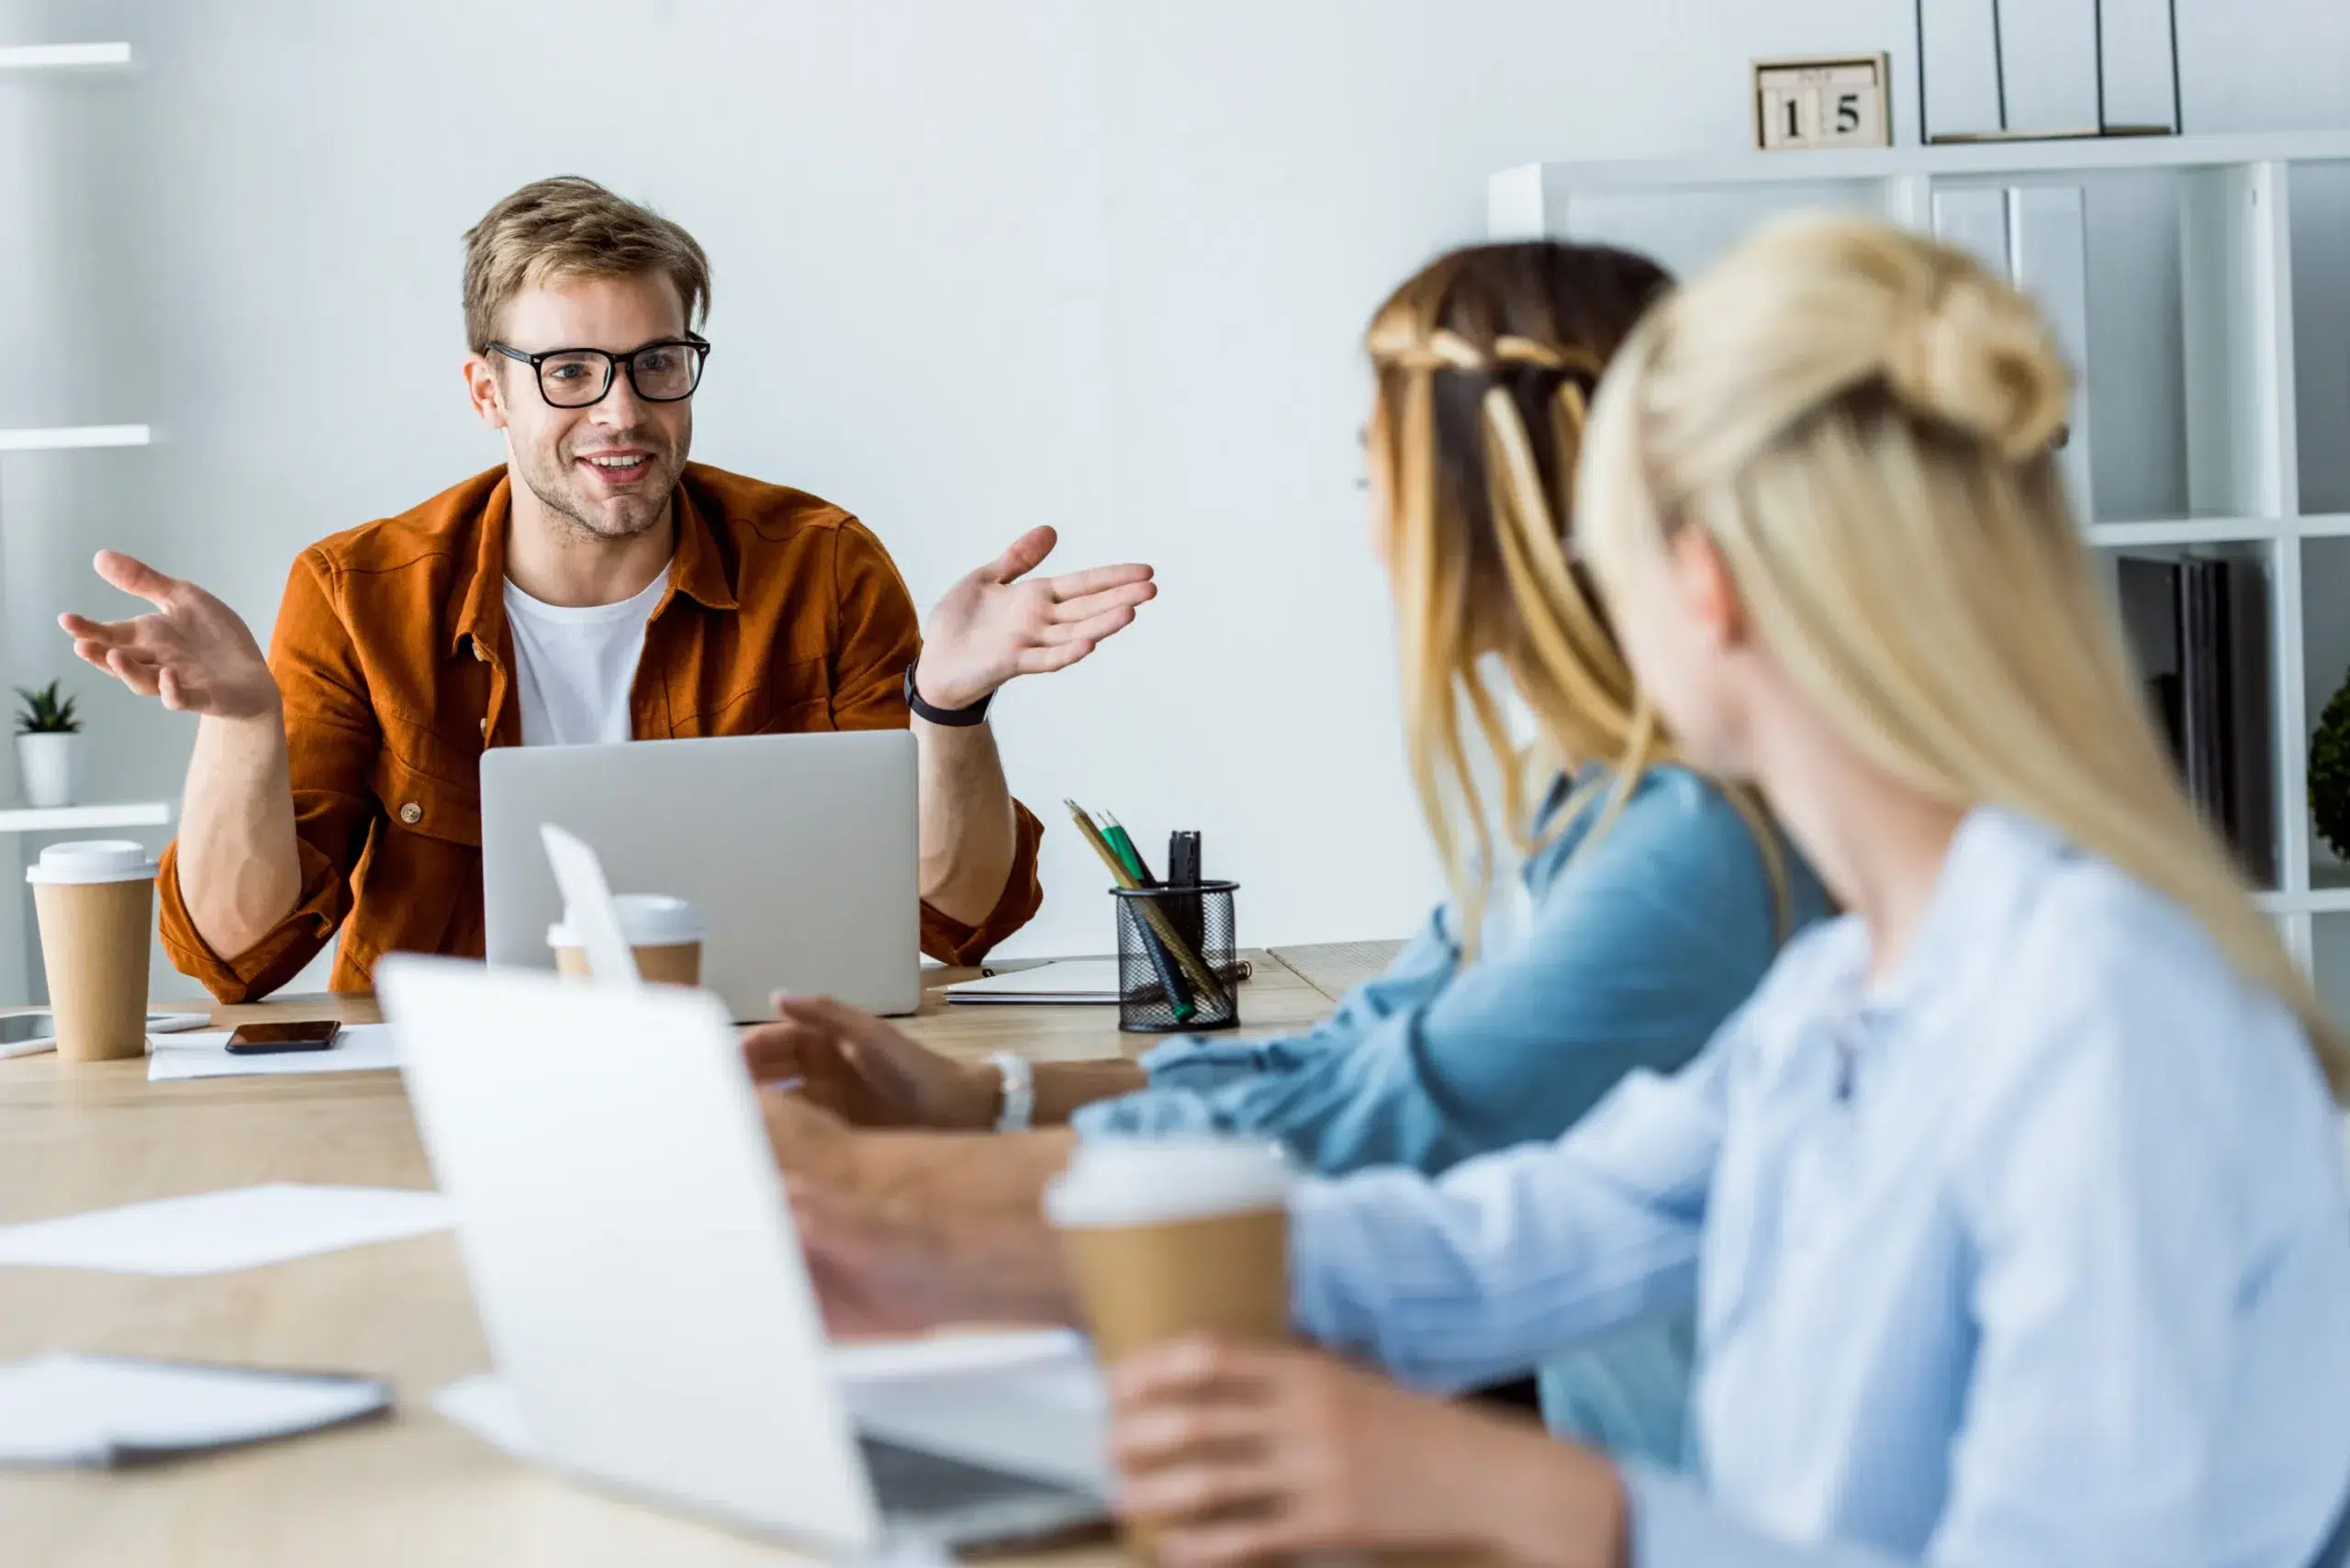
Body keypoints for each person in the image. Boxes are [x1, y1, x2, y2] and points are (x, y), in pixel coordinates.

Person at [789, 214, 2350, 1568]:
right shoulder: (1850, 993)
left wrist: (1544, 1500)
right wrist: (928, 1239)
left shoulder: (2107, 1020)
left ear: (1700, 587)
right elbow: (1503, 1237)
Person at [749, 240, 1828, 1465]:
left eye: (1378, 474)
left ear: (1500, 500)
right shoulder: (1568, 797)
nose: (1370, 529)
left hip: (1687, 1503)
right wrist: (981, 1100)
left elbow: (1395, 1120)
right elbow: (1356, 1057)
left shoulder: (1694, 844)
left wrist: (889, 1192)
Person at [60, 176, 1154, 1001]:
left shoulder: (819, 563)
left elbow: (960, 917)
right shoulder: (356, 592)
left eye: (655, 363)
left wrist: (948, 709)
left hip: (767, 1069)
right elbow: (237, 954)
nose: (621, 412)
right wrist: (246, 725)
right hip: (451, 1098)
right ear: (488, 391)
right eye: (569, 370)